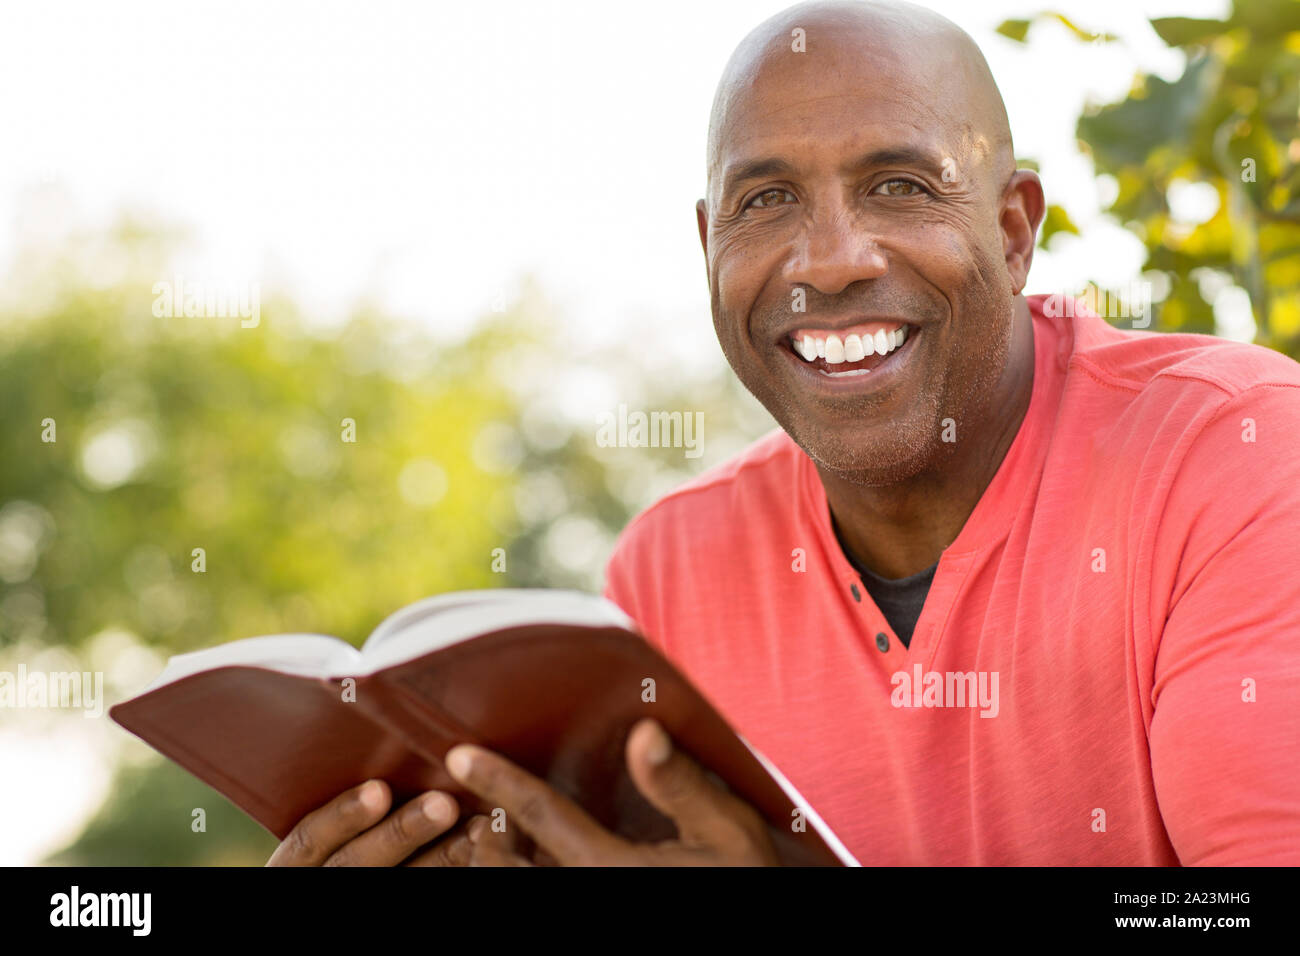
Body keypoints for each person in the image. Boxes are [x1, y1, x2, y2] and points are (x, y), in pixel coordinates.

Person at [267, 0, 1300, 866]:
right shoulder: (667, 575)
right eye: (766, 201)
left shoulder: (1235, 453)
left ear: (1013, 228)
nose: (830, 259)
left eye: (897, 185)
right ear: (710, 246)